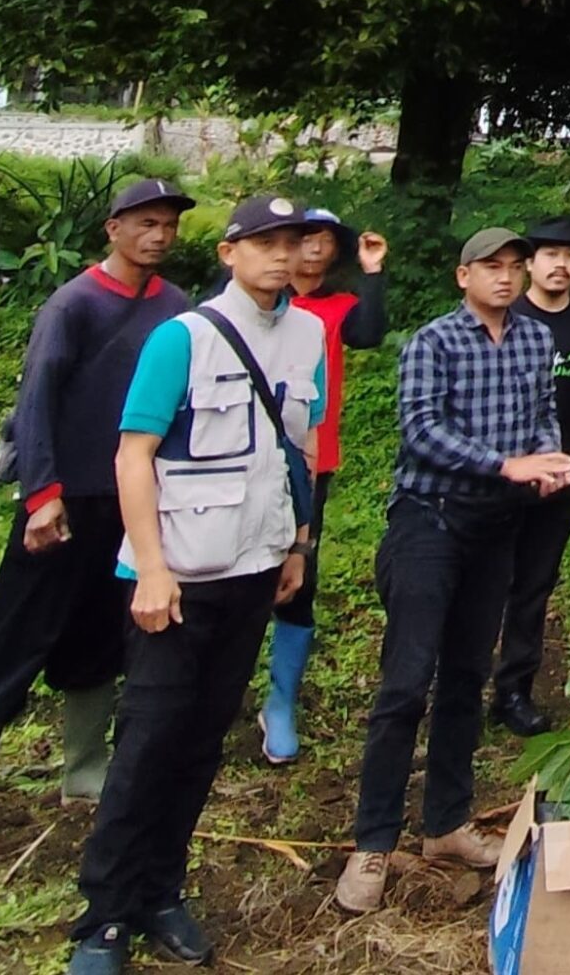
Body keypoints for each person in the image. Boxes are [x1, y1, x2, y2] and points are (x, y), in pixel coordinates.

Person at [66, 195, 326, 974]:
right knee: (148, 743)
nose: (282, 256)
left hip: (255, 567)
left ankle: (160, 891)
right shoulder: (182, 338)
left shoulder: (308, 333)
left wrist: (297, 543)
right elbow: (133, 455)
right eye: (266, 242)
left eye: (295, 242)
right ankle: (103, 918)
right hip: (176, 573)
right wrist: (148, 567)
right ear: (229, 253)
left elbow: (298, 446)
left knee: (204, 739)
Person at [0, 180, 194, 874]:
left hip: (128, 501)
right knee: (13, 639)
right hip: (64, 501)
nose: (160, 236)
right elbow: (36, 401)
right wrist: (41, 495)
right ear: (113, 229)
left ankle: (84, 765)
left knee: (97, 635)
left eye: (169, 226)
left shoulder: (176, 309)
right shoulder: (73, 304)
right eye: (146, 223)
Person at [335, 228, 570, 915]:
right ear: (462, 275)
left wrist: (549, 459)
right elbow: (422, 430)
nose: (506, 278)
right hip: (429, 521)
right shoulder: (433, 343)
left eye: (514, 267)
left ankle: (445, 822)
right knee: (407, 682)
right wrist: (506, 466)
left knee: (468, 675)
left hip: (495, 526)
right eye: (491, 268)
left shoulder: (534, 340)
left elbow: (542, 419)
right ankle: (373, 842)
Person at [256, 207, 389, 766]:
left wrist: (373, 271)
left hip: (313, 460)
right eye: (301, 239)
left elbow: (370, 333)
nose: (311, 249)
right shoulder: (256, 304)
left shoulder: (334, 308)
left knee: (298, 572)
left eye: (322, 241)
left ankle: (280, 700)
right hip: (239, 459)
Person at [491, 216, 570, 737]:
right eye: (551, 255)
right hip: (498, 474)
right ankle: (459, 683)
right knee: (482, 583)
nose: (562, 265)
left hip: (563, 474)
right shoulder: (505, 314)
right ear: (530, 264)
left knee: (534, 585)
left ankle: (513, 689)